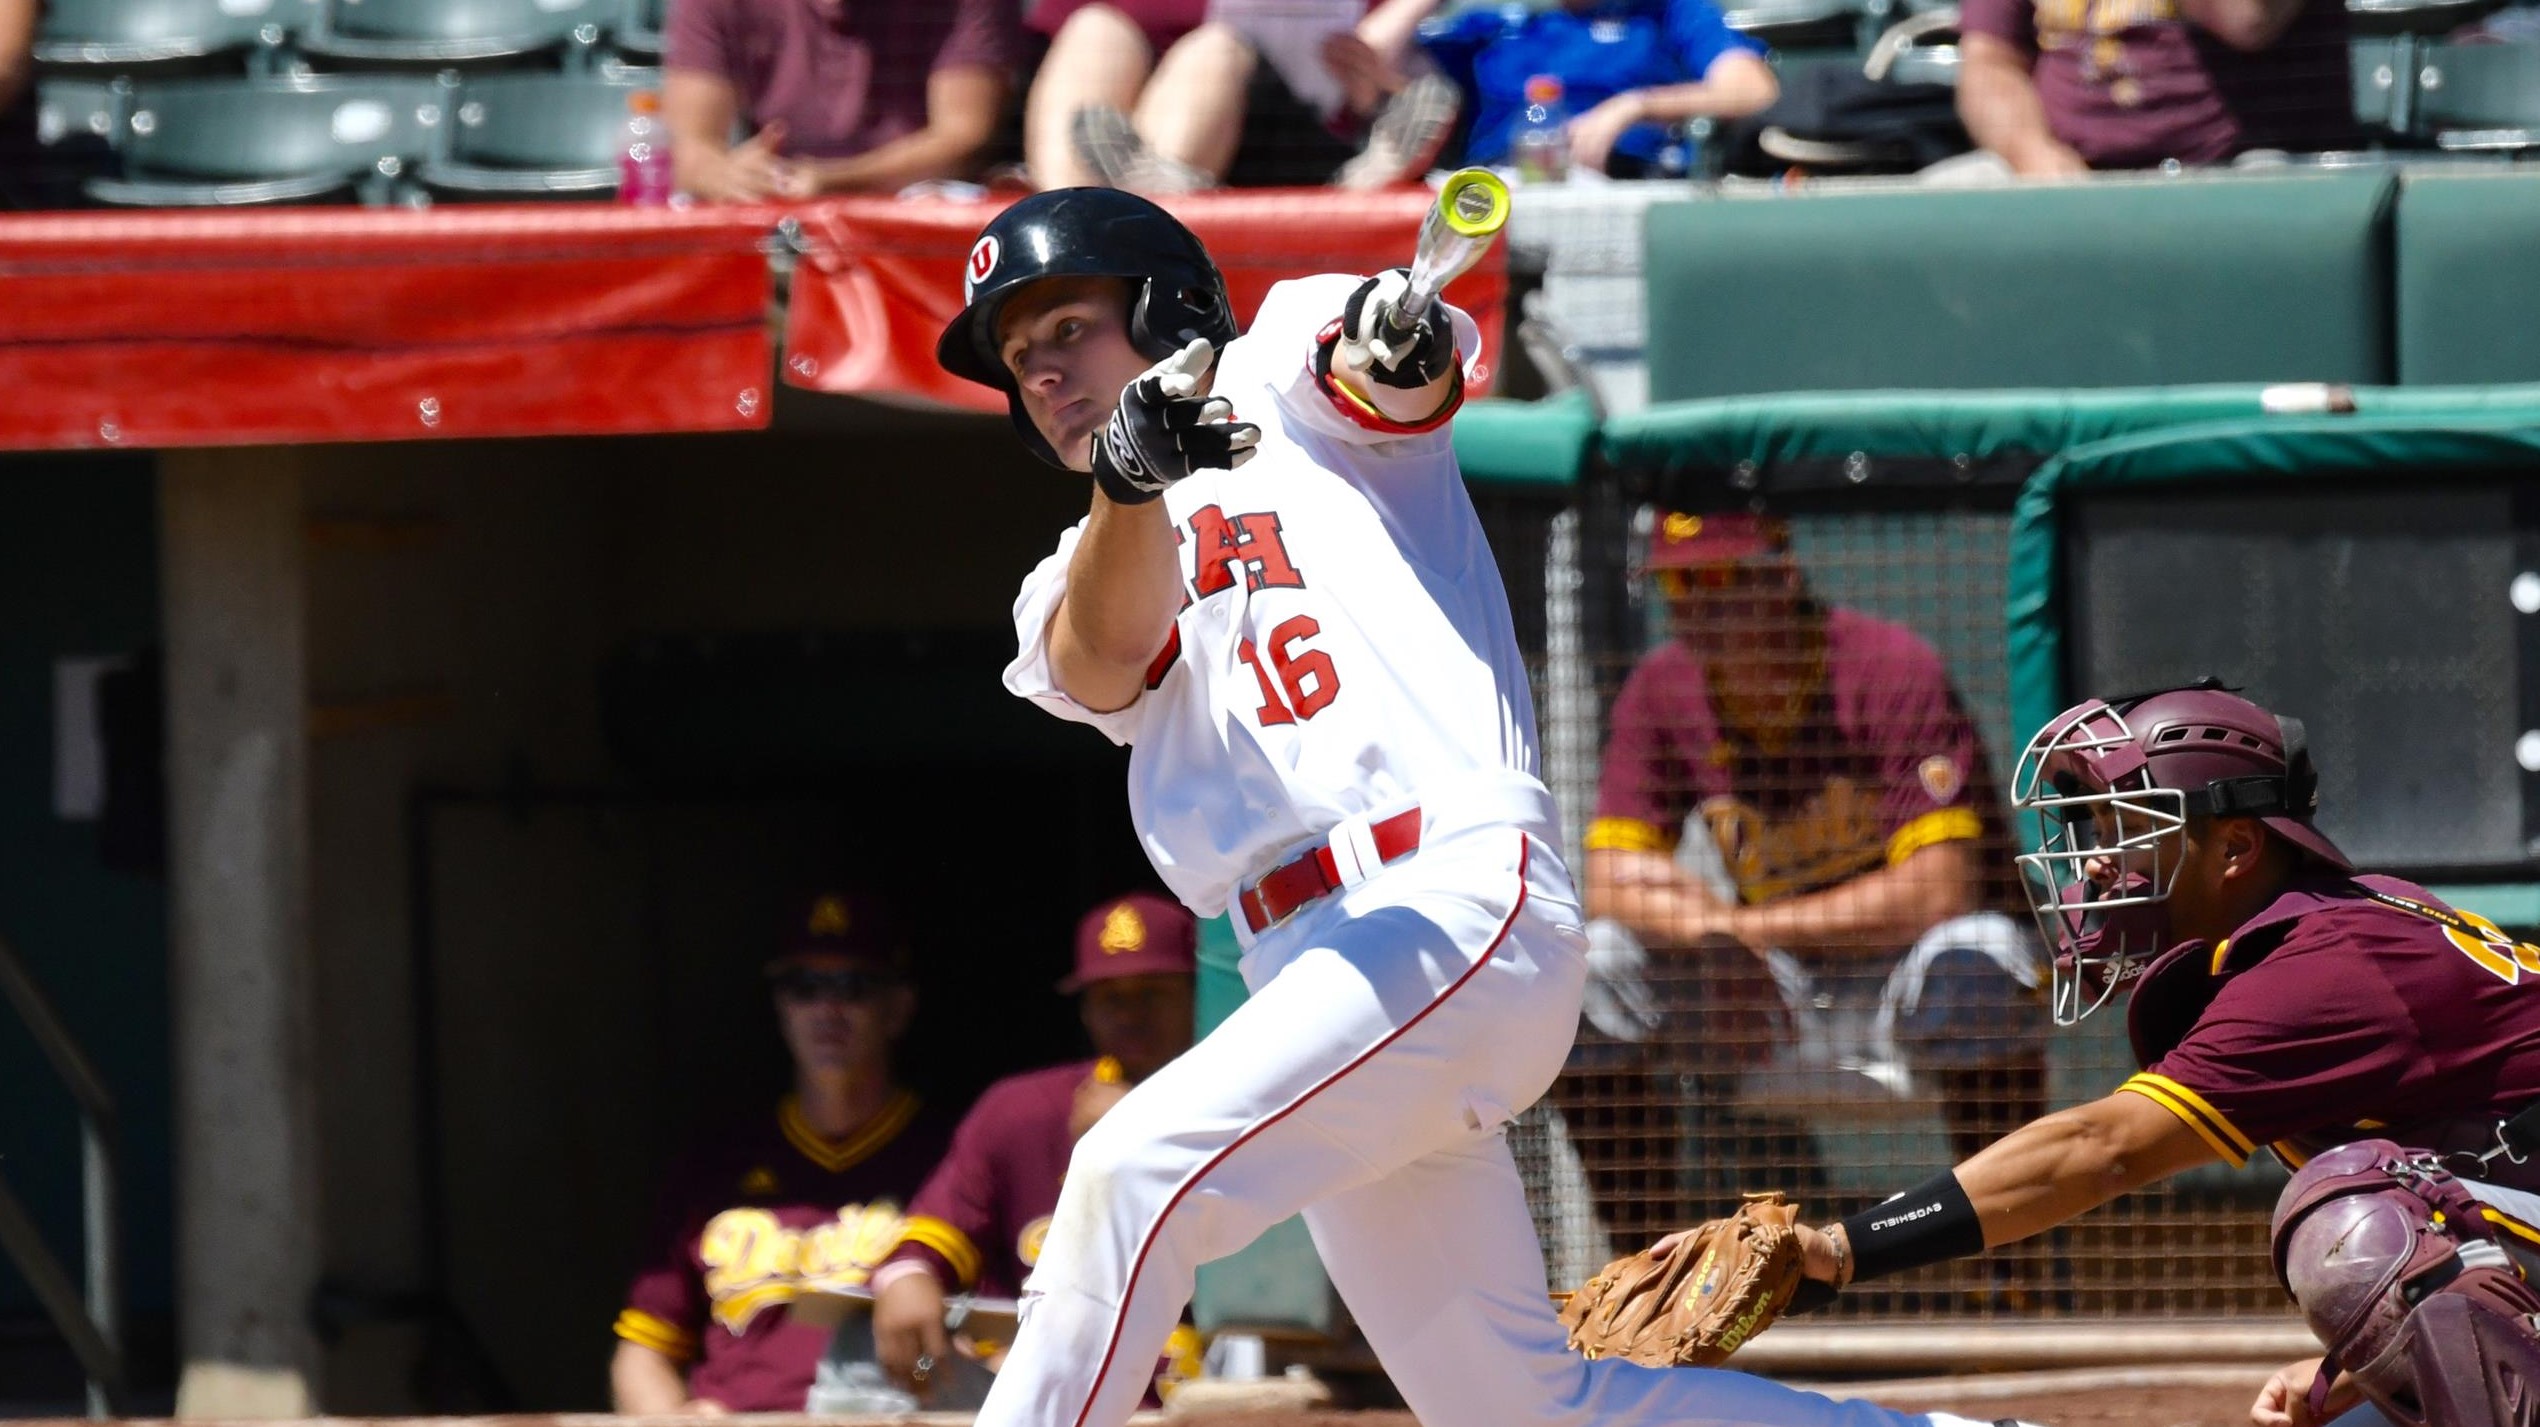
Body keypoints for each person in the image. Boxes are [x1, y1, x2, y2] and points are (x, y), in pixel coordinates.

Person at [934, 184, 2034, 1427]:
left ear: (1159, 302)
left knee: (1127, 1167)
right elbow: (1100, 655)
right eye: (1018, 359)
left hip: (1439, 892)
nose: (1041, 370)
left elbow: (1391, 372)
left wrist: (1390, 346)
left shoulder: (1278, 363)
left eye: (1065, 326)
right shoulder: (1076, 562)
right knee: (1520, 1405)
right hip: (1308, 965)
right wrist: (1132, 482)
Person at [1689, 683, 2540, 1426]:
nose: (2095, 860)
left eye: (2126, 826)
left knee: (2355, 1217)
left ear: (2237, 847)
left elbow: (2099, 1149)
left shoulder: (2320, 966)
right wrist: (2366, 1360)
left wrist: (1837, 1250)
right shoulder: (2348, 918)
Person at [1569, 512, 2048, 1253]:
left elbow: (1938, 890)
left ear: (1781, 575)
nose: (1693, 605)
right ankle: (1649, 1276)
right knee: (1588, 968)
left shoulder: (1886, 666)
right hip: (1769, 992)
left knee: (1978, 956)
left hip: (1910, 983)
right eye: (1675, 584)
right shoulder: (1663, 689)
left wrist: (1739, 930)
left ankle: (2021, 1267)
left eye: (1716, 579)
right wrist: (1713, 937)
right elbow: (1607, 883)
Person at [610, 891, 956, 1413]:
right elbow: (643, 1350)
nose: (827, 1009)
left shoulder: (953, 1156)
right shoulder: (718, 1160)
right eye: (804, 987)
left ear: (899, 1007)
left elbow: (993, 1351)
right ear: (780, 1006)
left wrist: (926, 1383)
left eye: (854, 987)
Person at [867, 892, 1200, 1397]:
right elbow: (929, 1240)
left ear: (1199, 997)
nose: (1131, 1014)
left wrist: (1144, 1137)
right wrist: (906, 1278)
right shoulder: (1023, 1111)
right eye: (1111, 997)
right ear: (1085, 1010)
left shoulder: (1260, 1106)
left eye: (1153, 992)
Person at [1029, 0, 1462, 193]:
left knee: (1212, 51)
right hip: (1128, 147)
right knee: (1095, 29)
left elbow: (1426, 91)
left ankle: (1155, 201)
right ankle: (1073, 216)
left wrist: (1371, 86)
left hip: (1302, 138)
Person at [661, 0, 1021, 203]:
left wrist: (833, 180)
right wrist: (727, 175)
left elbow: (964, 136)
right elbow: (687, 146)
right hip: (775, 215)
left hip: (920, 215)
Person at [1953, 0, 2352, 174]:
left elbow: (2249, 18)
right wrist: (2034, 156)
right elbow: (1990, 62)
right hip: (2070, 176)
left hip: (2242, 169)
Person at [1413, 0, 1779, 177]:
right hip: (1493, 190)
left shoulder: (1667, 14)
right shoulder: (1497, 25)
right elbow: (1372, 69)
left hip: (1620, 184)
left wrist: (1633, 106)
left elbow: (1753, 89)